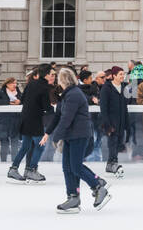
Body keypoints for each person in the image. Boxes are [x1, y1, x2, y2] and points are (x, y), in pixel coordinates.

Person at [43, 67, 109, 214]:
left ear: (63, 80)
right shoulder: (65, 95)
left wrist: (57, 136)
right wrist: (49, 133)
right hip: (70, 136)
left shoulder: (74, 94)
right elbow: (58, 116)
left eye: (59, 78)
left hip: (79, 135)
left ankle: (98, 187)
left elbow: (67, 118)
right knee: (67, 167)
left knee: (75, 166)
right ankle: (73, 197)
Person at [11, 64, 54, 183]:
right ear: (45, 75)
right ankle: (31, 169)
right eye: (52, 74)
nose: (53, 77)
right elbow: (46, 107)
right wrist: (53, 109)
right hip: (35, 120)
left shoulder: (31, 83)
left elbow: (23, 99)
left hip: (25, 118)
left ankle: (13, 169)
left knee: (25, 146)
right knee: (40, 145)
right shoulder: (44, 87)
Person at [99, 66, 129, 175]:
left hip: (121, 122)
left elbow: (126, 105)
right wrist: (107, 124)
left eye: (123, 74)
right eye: (120, 74)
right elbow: (103, 107)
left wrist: (127, 123)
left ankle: (110, 164)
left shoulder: (124, 87)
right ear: (114, 76)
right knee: (112, 142)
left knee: (118, 143)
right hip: (111, 122)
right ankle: (113, 163)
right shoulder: (106, 88)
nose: (122, 76)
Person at [0, 77, 22, 162]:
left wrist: (19, 101)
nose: (15, 85)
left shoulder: (18, 92)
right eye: (13, 83)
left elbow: (24, 100)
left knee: (15, 142)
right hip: (3, 121)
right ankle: (3, 161)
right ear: (7, 84)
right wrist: (8, 103)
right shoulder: (1, 92)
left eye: (16, 83)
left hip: (15, 121)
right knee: (4, 142)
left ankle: (14, 162)